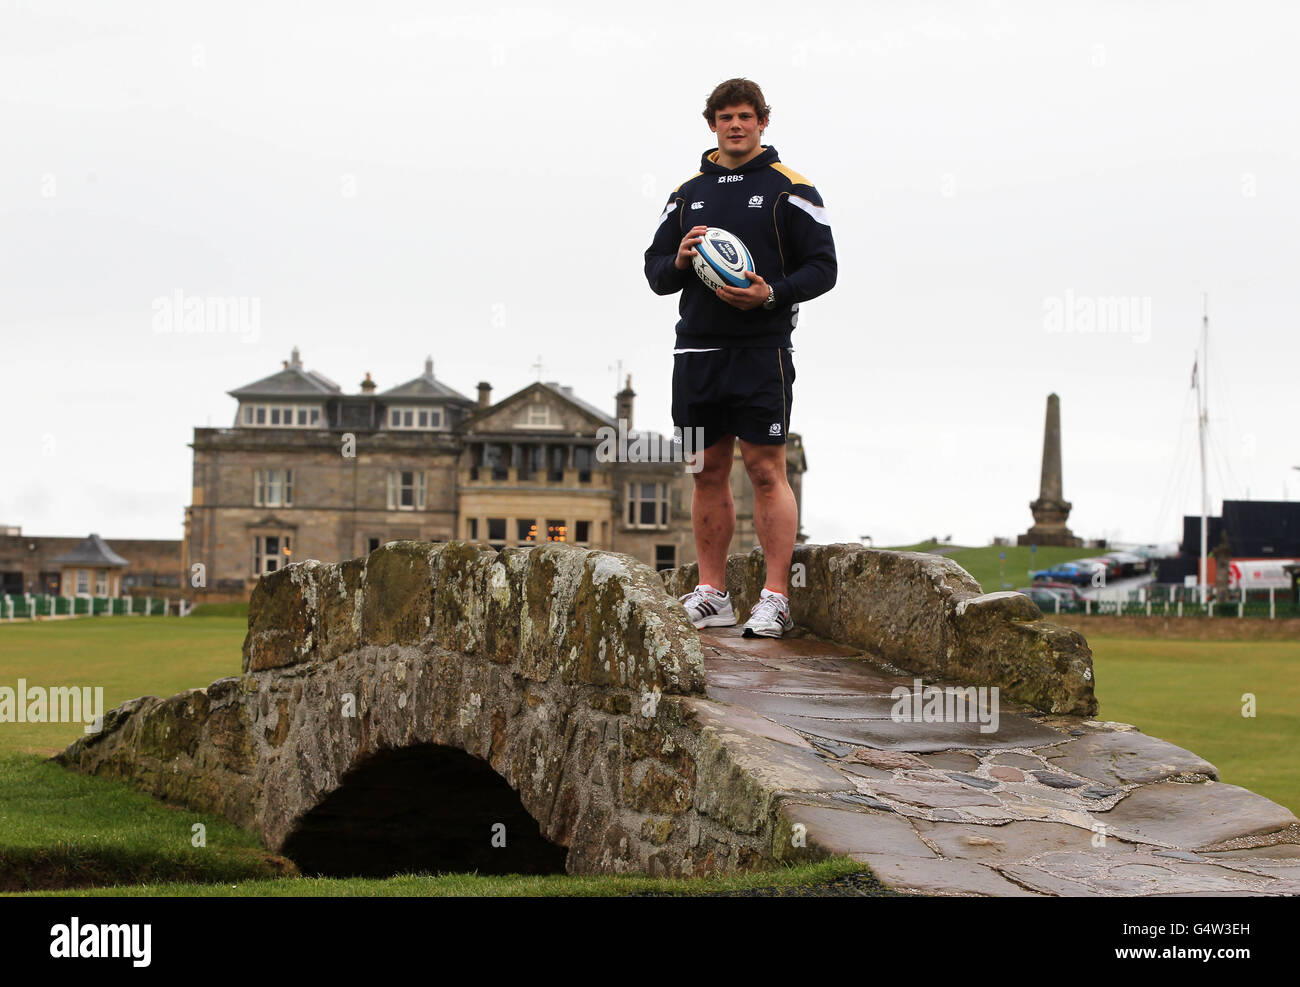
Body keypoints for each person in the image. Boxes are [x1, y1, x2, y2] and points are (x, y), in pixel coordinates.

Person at [643, 78, 837, 637]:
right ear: (712, 124)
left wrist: (769, 293)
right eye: (725, 116)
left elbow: (823, 269)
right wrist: (679, 259)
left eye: (746, 116)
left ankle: (775, 598)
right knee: (706, 470)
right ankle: (712, 594)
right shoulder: (686, 193)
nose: (735, 125)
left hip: (761, 350)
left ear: (762, 123)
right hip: (698, 350)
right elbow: (656, 275)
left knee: (765, 470)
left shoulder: (790, 189)